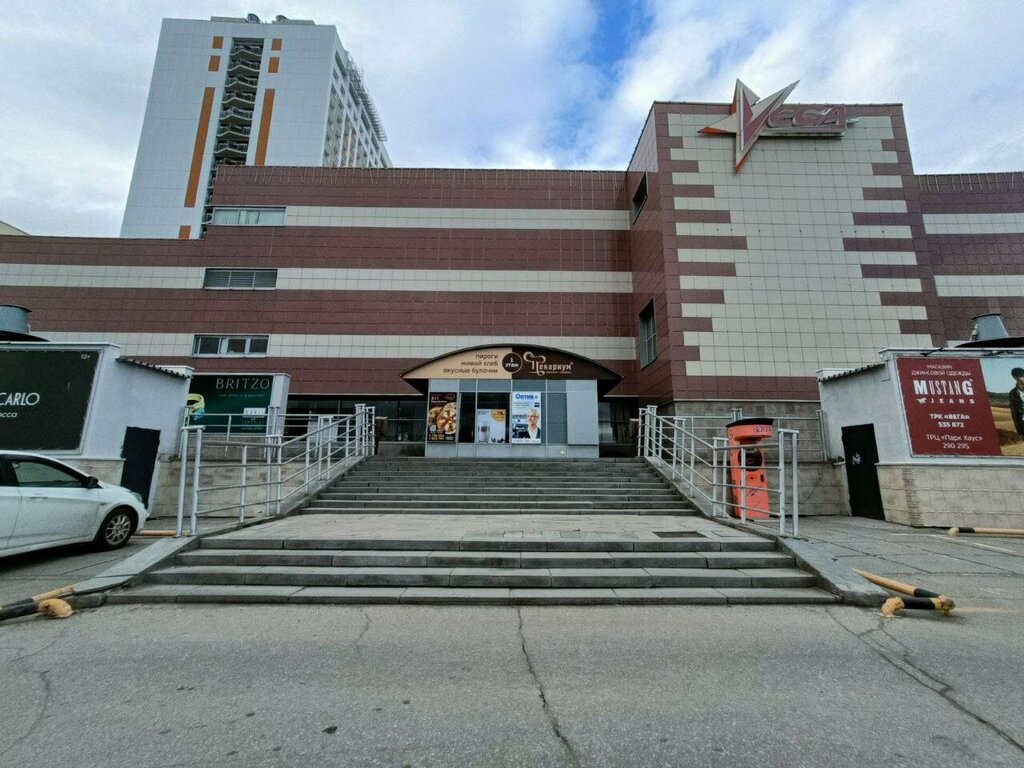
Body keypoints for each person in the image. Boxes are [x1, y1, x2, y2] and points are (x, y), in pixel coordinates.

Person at [1010, 367, 1024, 438]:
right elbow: (1014, 413)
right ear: (1015, 378)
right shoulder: (1012, 393)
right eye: (1022, 376)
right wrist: (1019, 431)